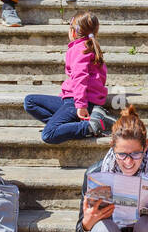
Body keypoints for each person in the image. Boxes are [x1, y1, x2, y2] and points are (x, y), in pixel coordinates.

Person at [23, 11, 114, 144]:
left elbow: (80, 77)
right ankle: (69, 126)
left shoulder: (80, 49)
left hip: (79, 102)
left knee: (49, 134)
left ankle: (92, 126)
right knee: (30, 101)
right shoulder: (88, 47)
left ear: (73, 32)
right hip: (72, 100)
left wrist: (81, 105)